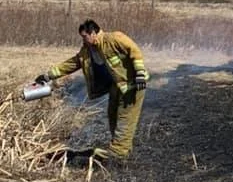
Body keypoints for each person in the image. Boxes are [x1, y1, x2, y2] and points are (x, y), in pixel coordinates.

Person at [35, 19, 149, 163]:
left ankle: (119, 153)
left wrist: (140, 73)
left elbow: (134, 51)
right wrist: (48, 76)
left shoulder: (114, 38)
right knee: (112, 116)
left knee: (124, 120)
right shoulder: (87, 51)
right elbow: (71, 64)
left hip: (132, 86)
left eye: (85, 36)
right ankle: (121, 149)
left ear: (93, 33)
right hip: (117, 87)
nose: (83, 40)